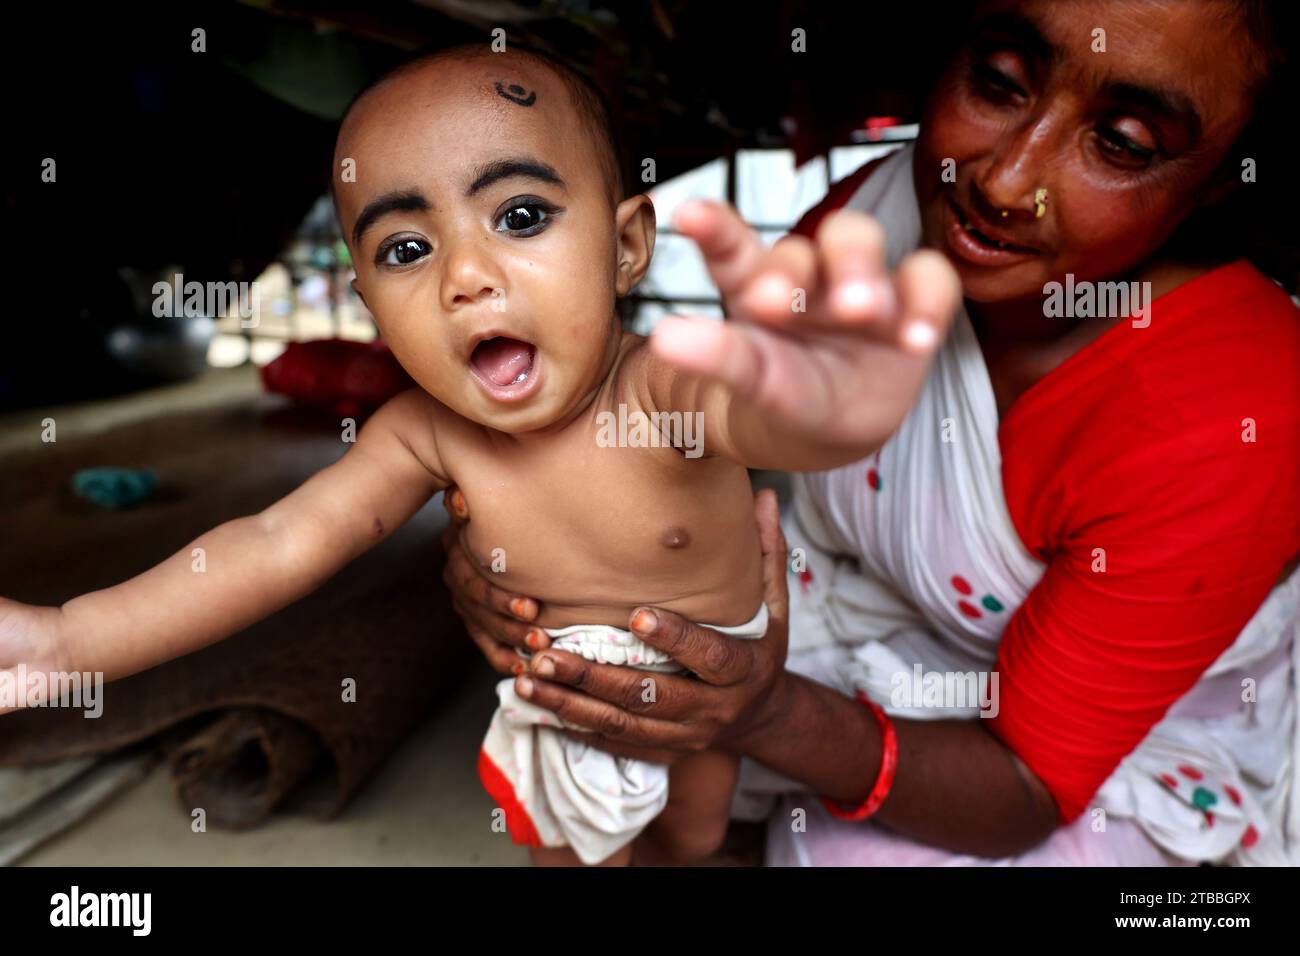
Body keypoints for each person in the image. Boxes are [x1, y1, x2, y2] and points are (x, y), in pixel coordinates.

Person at [0, 44, 963, 866]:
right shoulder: (422, 431)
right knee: (564, 848)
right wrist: (70, 642)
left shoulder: (662, 386)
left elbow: (763, 418)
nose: (466, 276)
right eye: (408, 249)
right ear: (369, 307)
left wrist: (837, 407)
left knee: (698, 834)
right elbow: (276, 540)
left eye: (520, 217)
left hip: (707, 697)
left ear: (627, 245)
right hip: (558, 710)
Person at [441, 0, 1300, 865]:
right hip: (856, 613)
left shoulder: (1231, 411)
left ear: (1220, 179)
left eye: (1122, 143)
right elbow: (674, 459)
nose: (1004, 182)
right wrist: (523, 549)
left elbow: (1025, 792)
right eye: (999, 84)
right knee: (588, 702)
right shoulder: (871, 219)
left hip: (1109, 751)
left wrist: (764, 712)